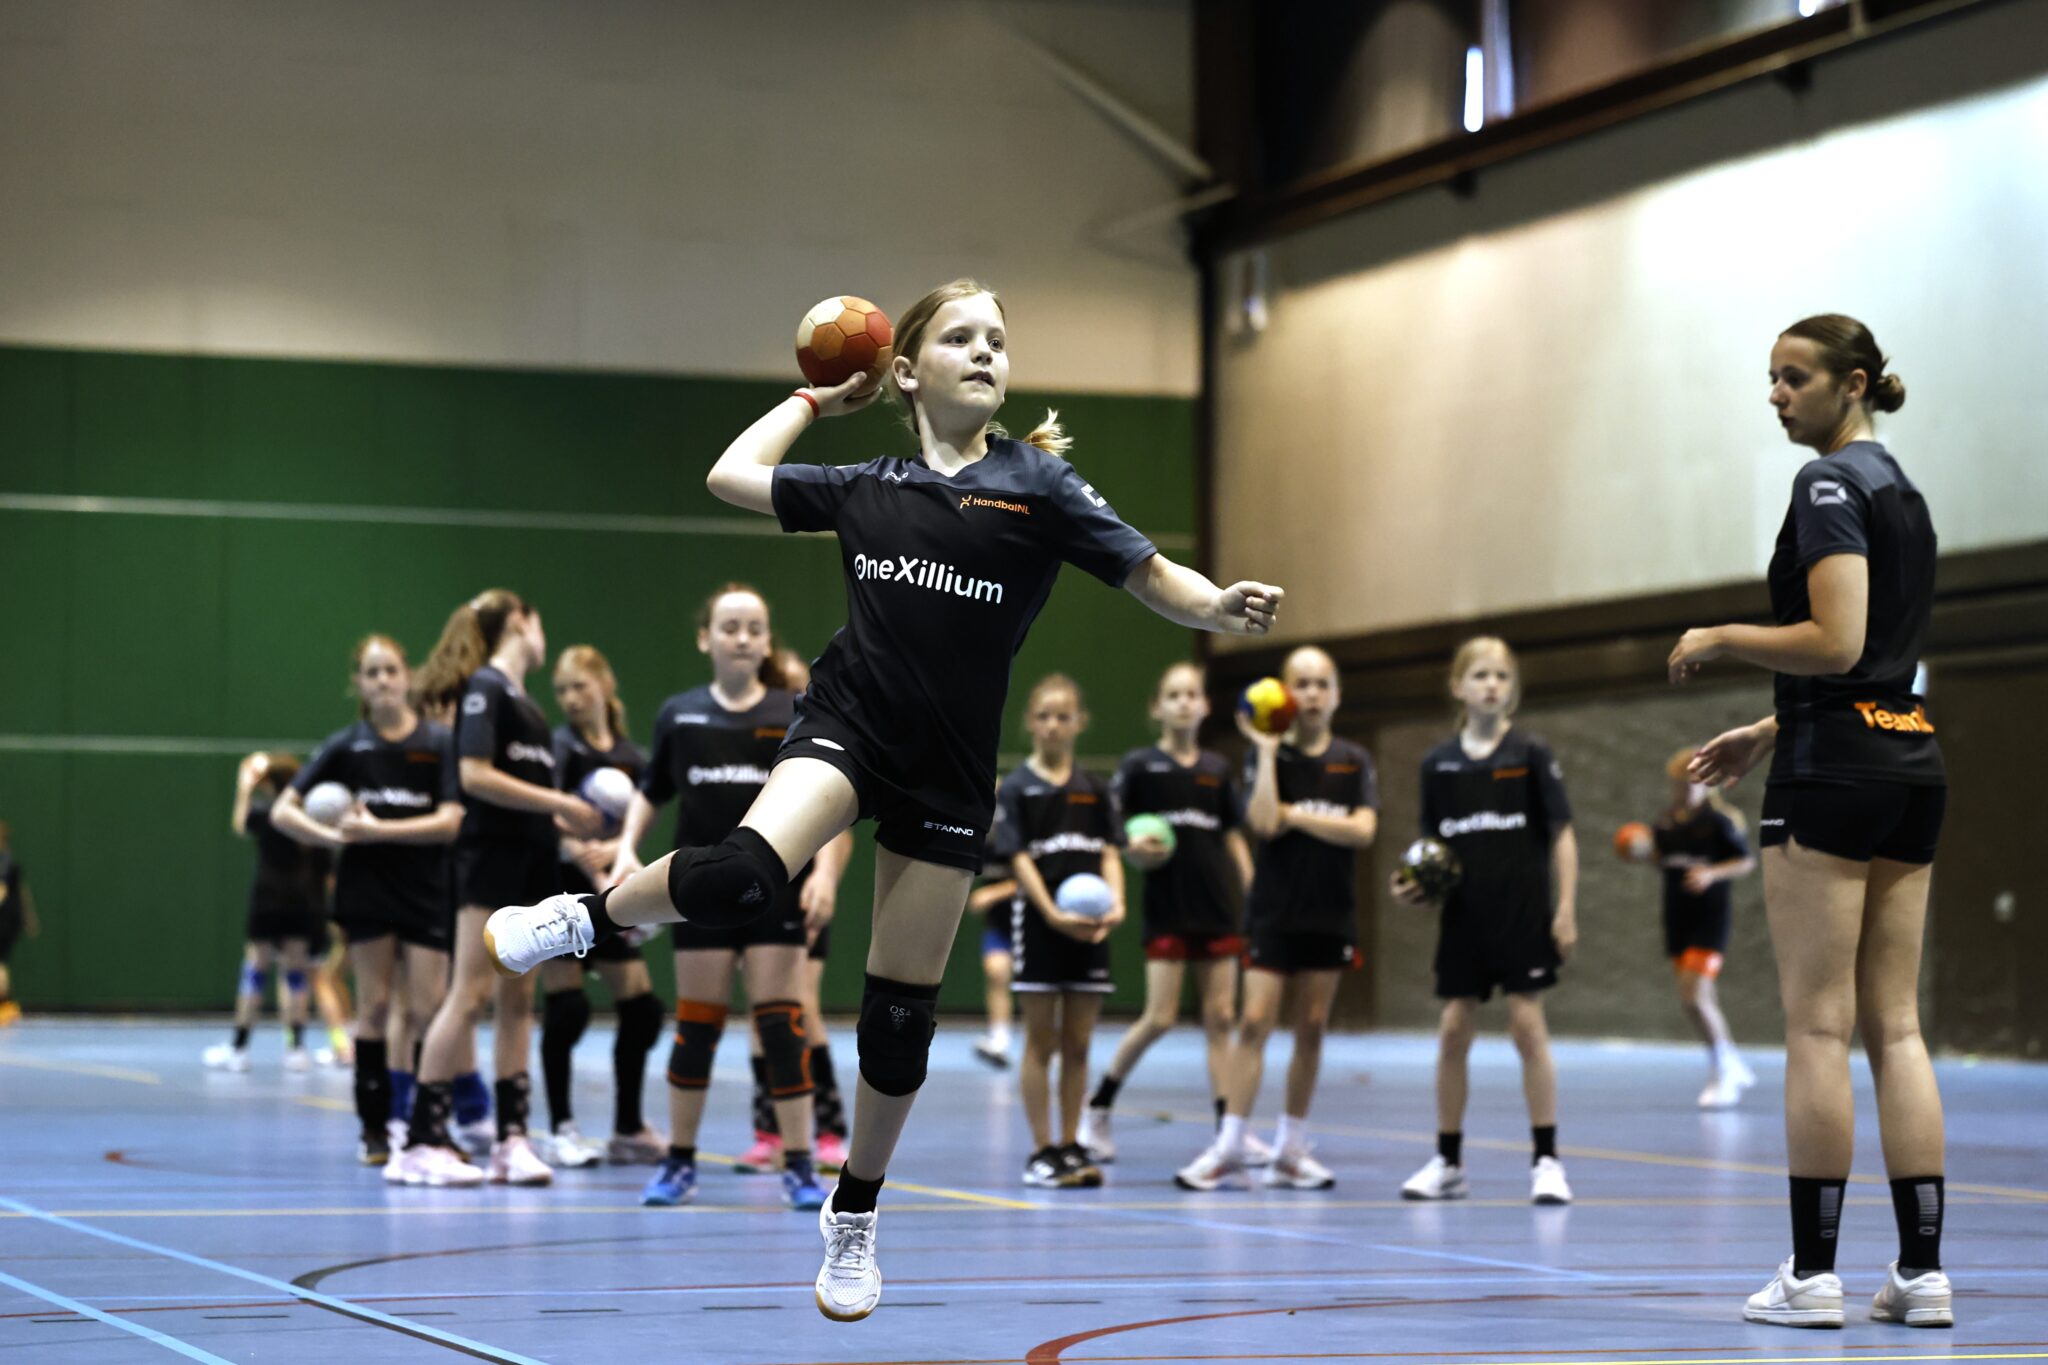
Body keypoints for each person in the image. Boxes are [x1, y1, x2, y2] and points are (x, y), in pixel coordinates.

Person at [483, 278, 1280, 1320]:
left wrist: (1213, 606)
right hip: (847, 727)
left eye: (998, 339)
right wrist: (818, 398)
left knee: (899, 1020)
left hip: (949, 769)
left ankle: (853, 1212)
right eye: (959, 337)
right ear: (905, 370)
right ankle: (580, 922)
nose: (986, 351)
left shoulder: (1039, 484)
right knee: (736, 876)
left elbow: (1144, 571)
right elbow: (732, 474)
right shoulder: (866, 483)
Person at [1670, 314, 1951, 1328]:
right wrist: (1760, 727)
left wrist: (1721, 636)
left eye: (1793, 378)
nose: (1775, 394)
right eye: (1770, 378)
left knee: (1817, 1026)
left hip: (1830, 771)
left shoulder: (1824, 484)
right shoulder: (1902, 492)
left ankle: (1811, 1273)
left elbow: (1832, 643)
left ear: (1853, 383)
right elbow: (1881, 661)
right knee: (1897, 1025)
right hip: (1906, 758)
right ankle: (1921, 1275)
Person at [624, 586, 839, 1212]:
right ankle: (679, 1163)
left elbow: (824, 797)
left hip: (774, 890)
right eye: (729, 627)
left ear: (767, 640)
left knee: (782, 1027)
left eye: (754, 627)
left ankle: (799, 1167)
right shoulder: (680, 715)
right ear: (706, 639)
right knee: (696, 1030)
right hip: (700, 892)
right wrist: (621, 850)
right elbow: (651, 792)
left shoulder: (795, 710)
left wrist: (824, 872)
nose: (742, 637)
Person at [387, 590, 603, 1187]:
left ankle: (511, 1139)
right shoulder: (486, 685)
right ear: (520, 621)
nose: (543, 637)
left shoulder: (528, 707)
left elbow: (521, 792)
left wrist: (564, 824)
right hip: (490, 862)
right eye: (539, 624)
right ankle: (422, 1141)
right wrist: (562, 801)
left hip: (534, 862)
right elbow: (475, 776)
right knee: (471, 993)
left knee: (518, 1004)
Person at [1175, 647, 1374, 1191]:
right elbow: (1263, 823)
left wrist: (1298, 816)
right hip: (1274, 912)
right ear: (1285, 694)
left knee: (1311, 1027)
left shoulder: (1353, 760)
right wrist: (1265, 753)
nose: (1310, 693)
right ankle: (1231, 1143)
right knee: (1255, 1021)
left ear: (1335, 694)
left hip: (1330, 914)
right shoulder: (1267, 758)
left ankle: (1290, 1146)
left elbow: (1363, 830)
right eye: (1301, 684)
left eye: (1320, 684)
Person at [1396, 637, 1578, 1207]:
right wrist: (1411, 885)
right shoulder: (1438, 763)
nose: (1491, 684)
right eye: (1480, 675)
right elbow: (1431, 847)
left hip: (1523, 914)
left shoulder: (1530, 753)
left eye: (1501, 675)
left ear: (1512, 688)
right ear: (1458, 686)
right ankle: (1448, 1161)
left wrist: (1566, 906)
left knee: (1528, 1027)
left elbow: (1562, 833)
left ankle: (1547, 1159)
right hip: (1464, 919)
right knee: (1454, 1030)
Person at [272, 635, 460, 1164]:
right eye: (372, 672)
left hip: (426, 890)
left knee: (429, 1009)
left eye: (391, 670)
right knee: (374, 1007)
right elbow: (286, 809)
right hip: (366, 892)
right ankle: (374, 1130)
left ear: (408, 677)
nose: (382, 680)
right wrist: (331, 838)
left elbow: (451, 822)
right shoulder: (345, 746)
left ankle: (429, 1128)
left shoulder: (437, 743)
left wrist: (381, 831)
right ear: (358, 682)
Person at [1084, 661, 1254, 1165]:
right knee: (1159, 1017)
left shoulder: (1217, 769)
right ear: (1157, 707)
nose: (1183, 702)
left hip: (1216, 908)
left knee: (1221, 1018)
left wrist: (1254, 893)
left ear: (1204, 706)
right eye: (1173, 694)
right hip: (1167, 908)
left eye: (1192, 694)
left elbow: (1231, 836)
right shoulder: (1140, 767)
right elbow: (1117, 833)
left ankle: (1229, 1132)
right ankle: (1098, 1106)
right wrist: (1135, 849)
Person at [534, 644, 668, 1170]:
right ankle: (562, 1128)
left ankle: (628, 1127)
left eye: (579, 687)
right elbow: (542, 814)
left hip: (609, 895)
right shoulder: (558, 749)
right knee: (567, 1010)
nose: (570, 699)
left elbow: (640, 821)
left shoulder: (633, 759)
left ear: (605, 686)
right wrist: (575, 850)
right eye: (562, 690)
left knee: (642, 1010)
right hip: (561, 888)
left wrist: (613, 853)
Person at [997, 674, 1121, 1188]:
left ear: (1079, 723)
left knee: (1079, 1043)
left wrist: (1115, 905)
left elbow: (1111, 850)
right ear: (1030, 723)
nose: (1053, 724)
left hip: (1090, 930)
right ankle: (1042, 1149)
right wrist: (1050, 912)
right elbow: (1017, 857)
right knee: (1041, 1041)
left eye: (1063, 715)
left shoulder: (1095, 788)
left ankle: (1071, 1144)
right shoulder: (1018, 788)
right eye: (1043, 715)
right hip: (1043, 927)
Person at [742, 647, 856, 1174]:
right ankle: (769, 1128)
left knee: (798, 1005)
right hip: (755, 896)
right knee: (760, 1012)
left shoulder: (820, 740)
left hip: (802, 895)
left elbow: (839, 825)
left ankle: (829, 1128)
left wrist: (825, 879)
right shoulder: (757, 745)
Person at [1624, 746, 1757, 1108]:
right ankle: (1729, 1061)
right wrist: (1637, 850)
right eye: (1680, 783)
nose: (1686, 789)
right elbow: (1661, 861)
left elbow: (1745, 861)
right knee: (1698, 1000)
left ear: (1707, 783)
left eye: (1694, 781)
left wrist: (1711, 873)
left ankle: (1724, 1069)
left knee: (1693, 995)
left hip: (1709, 919)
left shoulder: (1719, 821)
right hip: (1677, 917)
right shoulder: (1666, 821)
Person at [207, 753, 330, 1073]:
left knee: (256, 971)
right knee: (295, 974)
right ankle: (296, 1049)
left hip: (268, 900)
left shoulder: (268, 814)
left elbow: (239, 823)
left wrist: (244, 789)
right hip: (303, 903)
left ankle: (238, 1048)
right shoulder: (309, 816)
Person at [0, 821, 42, 1026]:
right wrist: (29, 918)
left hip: (5, 920)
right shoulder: (10, 860)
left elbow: (2, 891)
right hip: (12, 919)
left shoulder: (4, 861)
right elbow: (23, 892)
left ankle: (5, 1005)